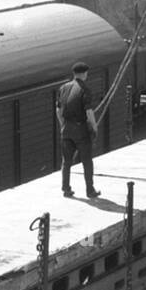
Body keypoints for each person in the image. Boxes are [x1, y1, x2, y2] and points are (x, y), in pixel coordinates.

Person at [57, 61, 99, 199]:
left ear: (74, 74)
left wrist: (63, 124)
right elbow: (88, 112)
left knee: (66, 161)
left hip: (66, 128)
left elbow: (58, 109)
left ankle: (66, 189)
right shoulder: (85, 89)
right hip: (80, 129)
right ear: (85, 74)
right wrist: (94, 127)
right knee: (87, 160)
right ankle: (90, 190)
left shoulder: (63, 88)